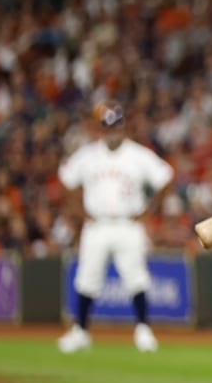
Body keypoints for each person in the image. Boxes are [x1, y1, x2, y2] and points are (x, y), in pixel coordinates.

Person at [56, 101, 174, 353]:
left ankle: (143, 330)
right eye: (107, 126)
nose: (112, 131)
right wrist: (79, 212)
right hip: (97, 224)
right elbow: (66, 179)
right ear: (101, 128)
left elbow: (165, 178)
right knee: (87, 277)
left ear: (123, 126)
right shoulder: (88, 155)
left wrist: (149, 210)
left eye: (116, 126)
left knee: (136, 277)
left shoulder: (138, 155)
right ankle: (80, 331)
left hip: (127, 223)